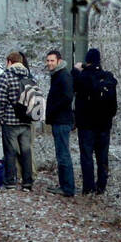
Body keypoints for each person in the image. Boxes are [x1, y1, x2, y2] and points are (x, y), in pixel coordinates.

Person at [73, 47, 118, 195]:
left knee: (87, 156)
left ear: (87, 61)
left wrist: (76, 70)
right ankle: (101, 186)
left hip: (86, 125)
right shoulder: (109, 78)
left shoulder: (83, 76)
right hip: (104, 125)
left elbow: (73, 86)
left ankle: (88, 187)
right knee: (102, 157)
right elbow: (114, 106)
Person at [0, 51, 37, 190]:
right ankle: (27, 182)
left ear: (9, 62)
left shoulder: (6, 76)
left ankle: (10, 181)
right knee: (26, 151)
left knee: (10, 151)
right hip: (27, 120)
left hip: (10, 121)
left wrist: (0, 117)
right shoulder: (30, 76)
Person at [44, 49, 76, 197]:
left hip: (62, 120)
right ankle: (64, 185)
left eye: (52, 60)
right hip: (59, 120)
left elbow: (67, 97)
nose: (49, 63)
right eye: (48, 60)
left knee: (63, 155)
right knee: (61, 154)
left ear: (58, 61)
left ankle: (68, 188)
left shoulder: (63, 75)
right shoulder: (58, 75)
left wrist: (53, 110)